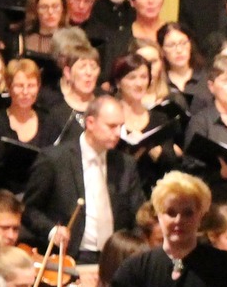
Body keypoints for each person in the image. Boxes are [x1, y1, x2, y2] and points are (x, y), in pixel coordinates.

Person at [19, 96, 143, 271]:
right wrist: (52, 231)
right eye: (111, 126)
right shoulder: (54, 159)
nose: (118, 133)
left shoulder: (126, 164)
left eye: (121, 126)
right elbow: (29, 210)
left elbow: (139, 214)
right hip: (71, 257)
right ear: (90, 123)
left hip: (116, 258)